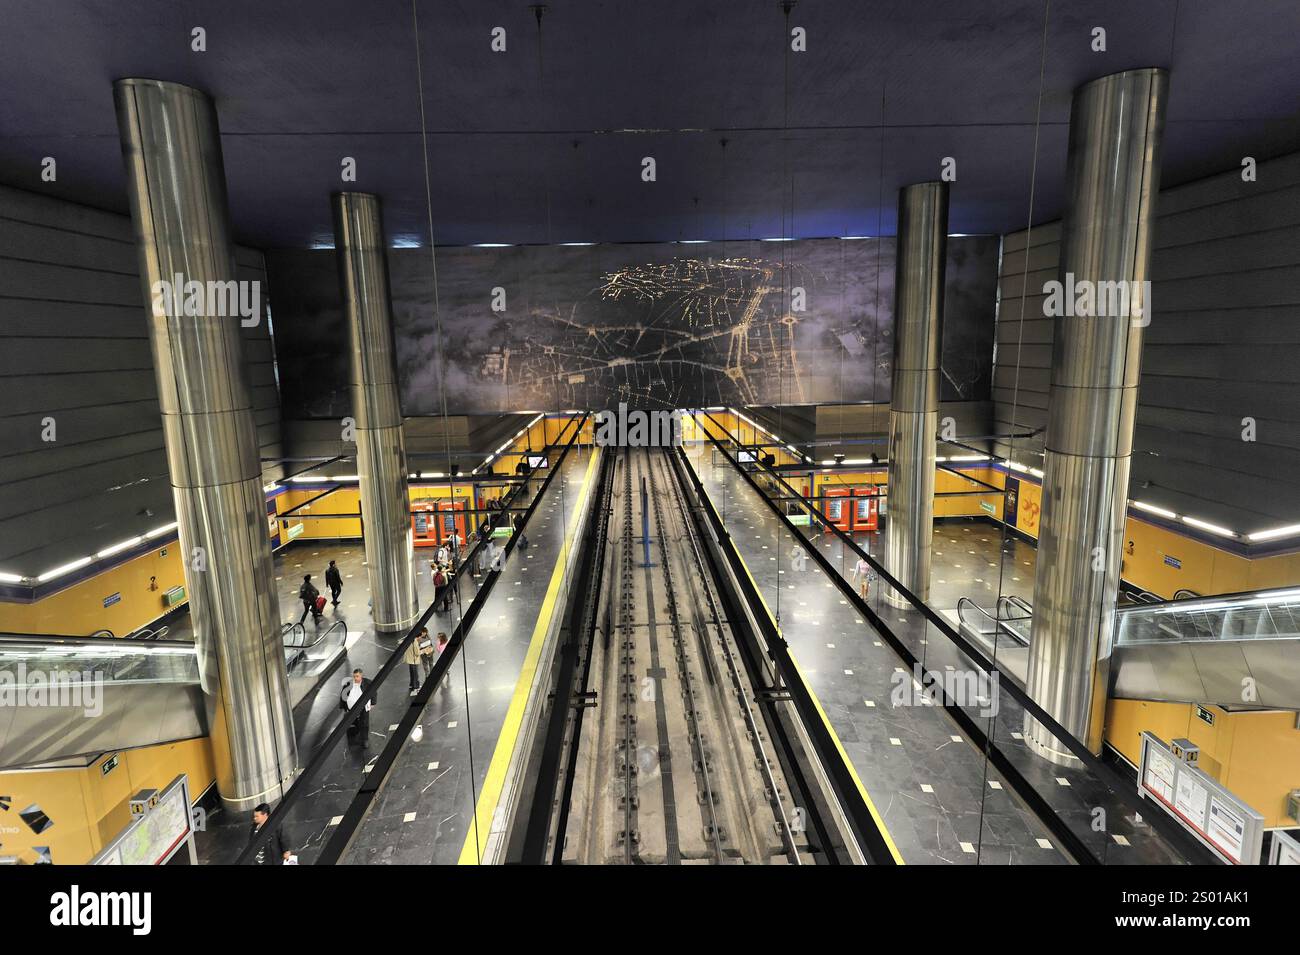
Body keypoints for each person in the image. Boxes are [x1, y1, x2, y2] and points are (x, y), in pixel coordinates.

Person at [340, 668, 373, 745]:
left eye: (357, 676)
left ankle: (365, 739)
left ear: (361, 676)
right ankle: (356, 729)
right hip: (352, 707)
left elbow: (373, 692)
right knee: (353, 720)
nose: (355, 678)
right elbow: (343, 695)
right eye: (354, 676)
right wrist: (344, 707)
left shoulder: (367, 682)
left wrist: (373, 703)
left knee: (364, 722)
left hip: (364, 706)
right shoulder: (349, 684)